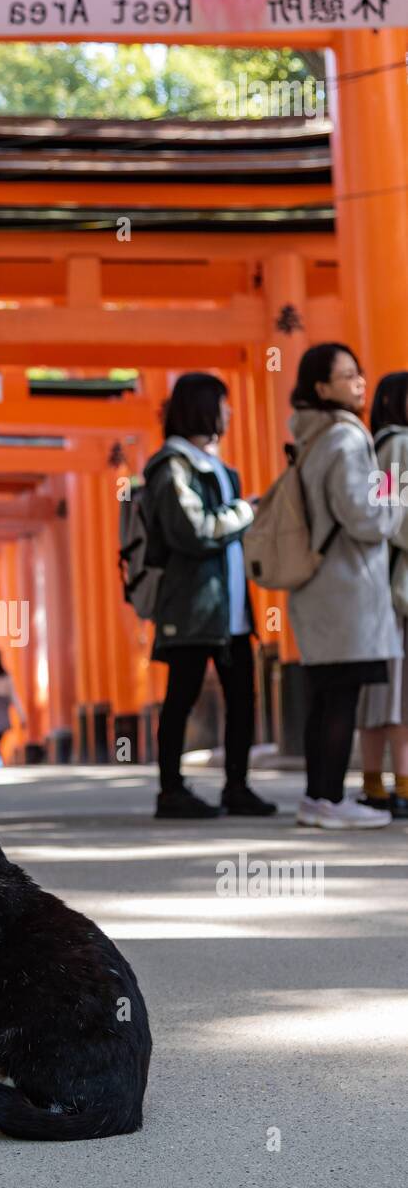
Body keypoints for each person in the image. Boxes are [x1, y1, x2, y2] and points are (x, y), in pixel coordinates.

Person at [144, 371, 276, 819]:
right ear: (203, 407)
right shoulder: (172, 466)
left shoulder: (217, 465)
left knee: (243, 694)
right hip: (194, 603)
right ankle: (171, 790)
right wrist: (246, 511)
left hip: (229, 603)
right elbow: (193, 530)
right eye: (223, 403)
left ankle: (237, 785)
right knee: (182, 694)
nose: (230, 412)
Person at [287, 344, 405, 829]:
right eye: (348, 375)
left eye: (360, 373)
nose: (359, 383)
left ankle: (320, 795)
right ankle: (330, 798)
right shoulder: (345, 439)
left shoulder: (314, 438)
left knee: (327, 695)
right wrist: (398, 502)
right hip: (349, 587)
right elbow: (364, 516)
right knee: (341, 696)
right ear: (322, 387)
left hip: (322, 586)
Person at [354, 371, 408, 818]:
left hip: (384, 585)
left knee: (384, 692)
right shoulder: (399, 445)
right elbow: (392, 514)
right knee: (396, 691)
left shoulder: (380, 445)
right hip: (398, 586)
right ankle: (399, 783)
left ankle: (376, 783)